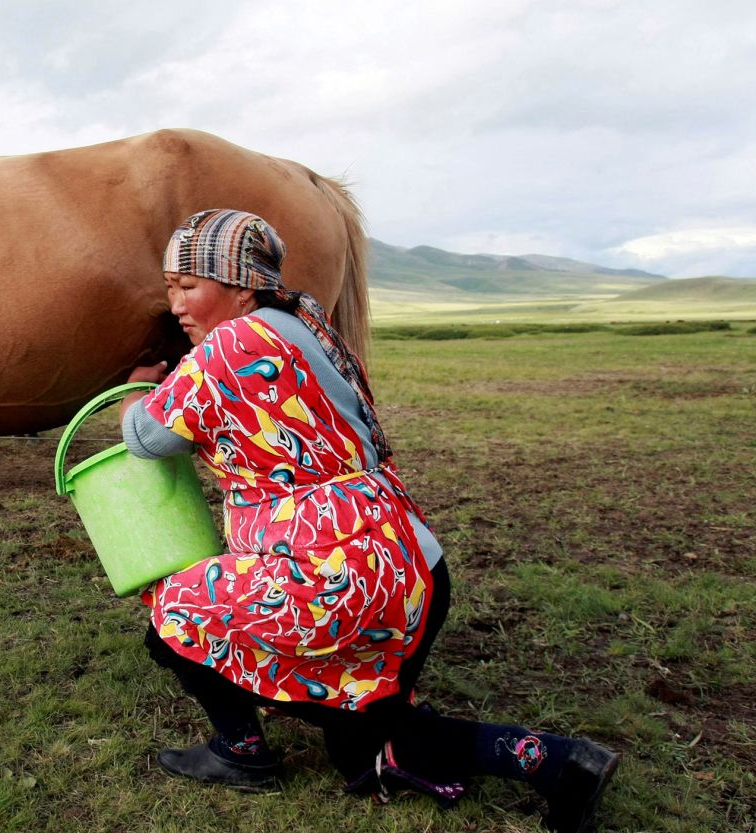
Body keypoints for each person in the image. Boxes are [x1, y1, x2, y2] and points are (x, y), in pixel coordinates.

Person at [118, 209, 617, 833]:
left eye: (189, 286)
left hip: (339, 576)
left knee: (175, 610)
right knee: (365, 743)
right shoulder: (302, 324)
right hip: (407, 563)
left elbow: (145, 437)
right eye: (170, 288)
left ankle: (240, 753)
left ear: (243, 284)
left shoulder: (234, 344)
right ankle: (559, 762)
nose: (177, 305)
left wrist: (137, 389)